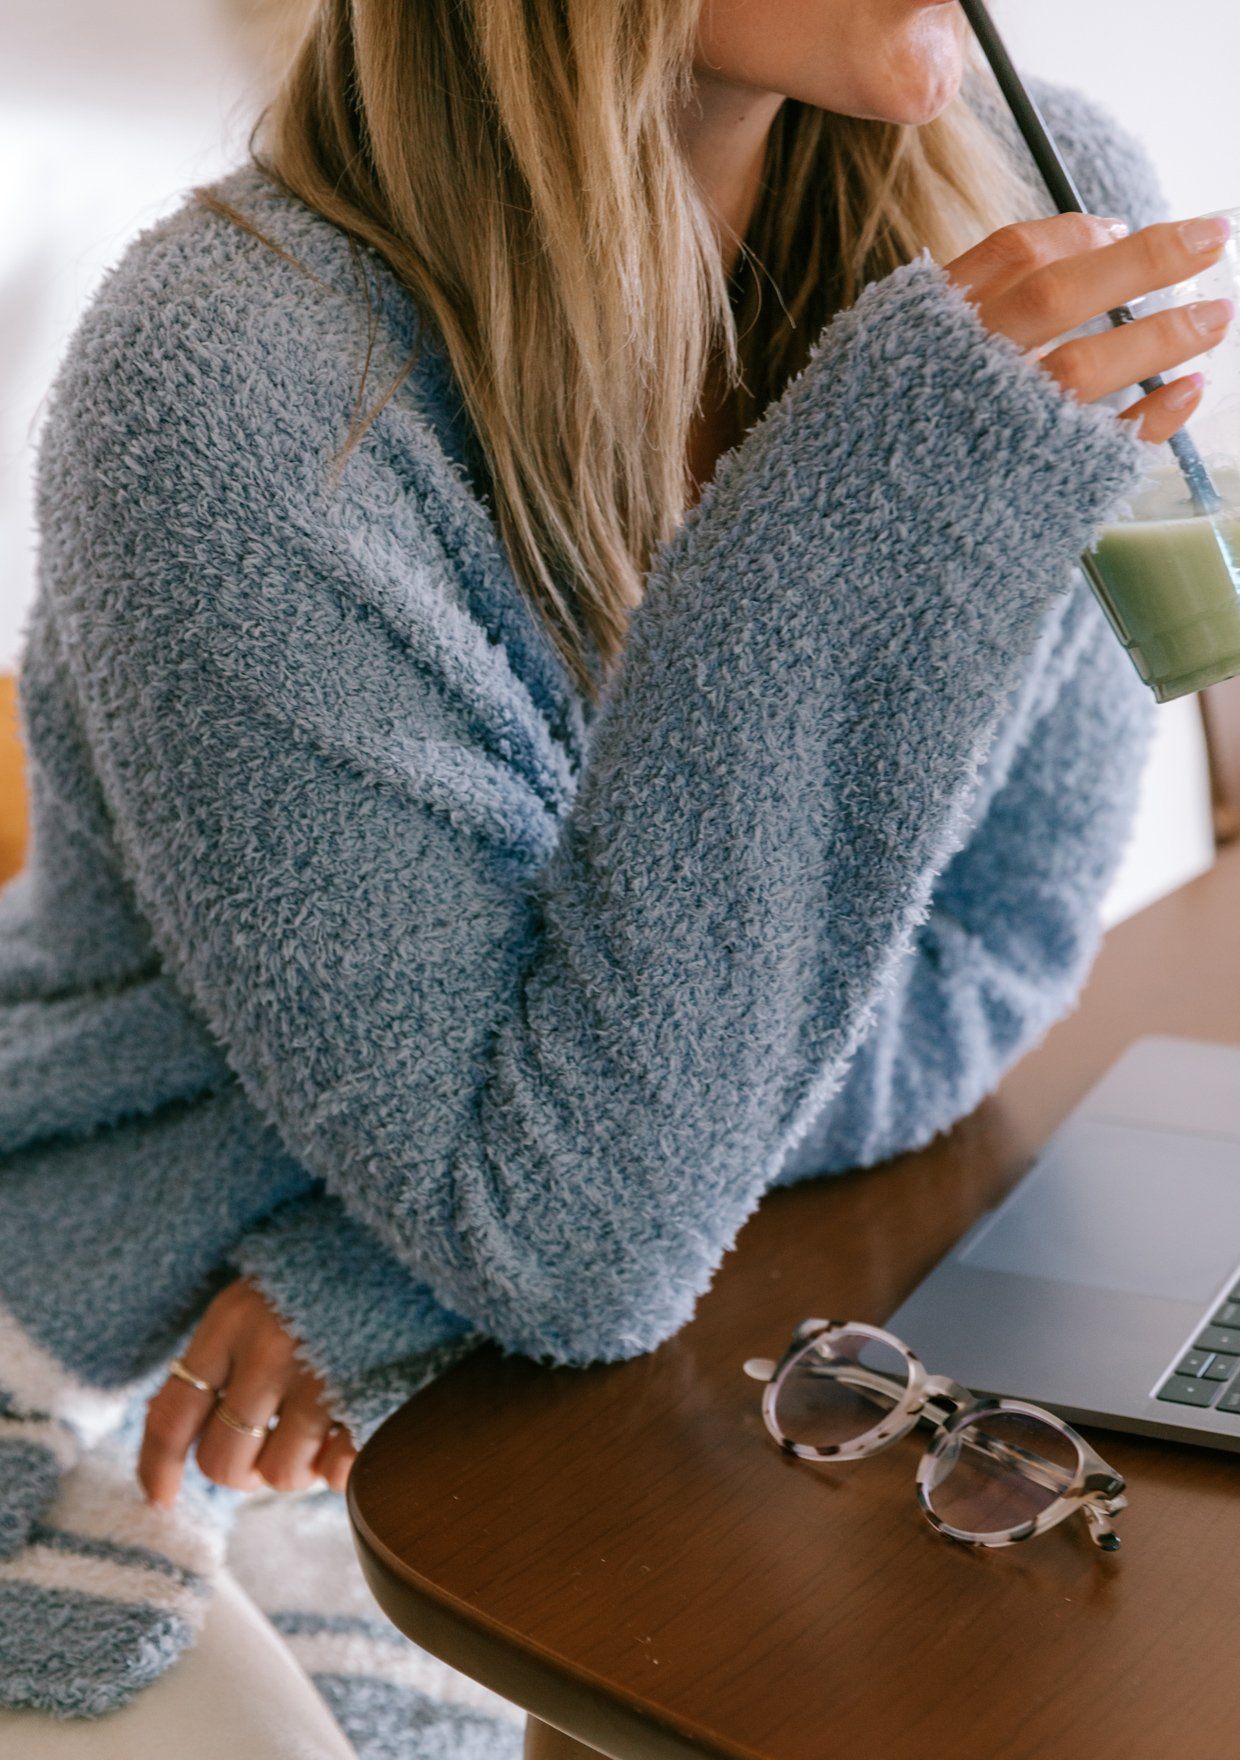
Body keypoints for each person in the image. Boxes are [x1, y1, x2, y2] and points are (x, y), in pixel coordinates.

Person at [0, 0, 1230, 1740]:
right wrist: (861, 508)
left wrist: (417, 1257)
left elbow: (992, 944)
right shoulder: (225, 394)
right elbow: (574, 1250)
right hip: (123, 1331)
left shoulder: (1033, 206)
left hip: (519, 1316)